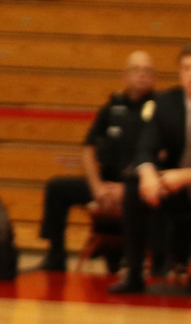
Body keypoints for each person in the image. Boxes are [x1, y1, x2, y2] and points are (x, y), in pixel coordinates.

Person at [33, 52, 156, 273]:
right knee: (57, 188)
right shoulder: (110, 108)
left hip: (139, 187)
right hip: (104, 184)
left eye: (147, 71)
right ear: (125, 76)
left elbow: (162, 157)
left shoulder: (159, 110)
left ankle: (149, 260)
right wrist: (96, 186)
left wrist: (126, 190)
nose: (142, 76)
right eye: (137, 70)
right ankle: (56, 254)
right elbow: (88, 150)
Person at [109, 44, 191, 294]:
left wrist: (186, 175)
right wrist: (147, 174)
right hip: (172, 185)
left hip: (184, 179)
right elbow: (146, 146)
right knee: (135, 187)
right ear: (179, 72)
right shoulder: (166, 102)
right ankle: (134, 274)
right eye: (187, 68)